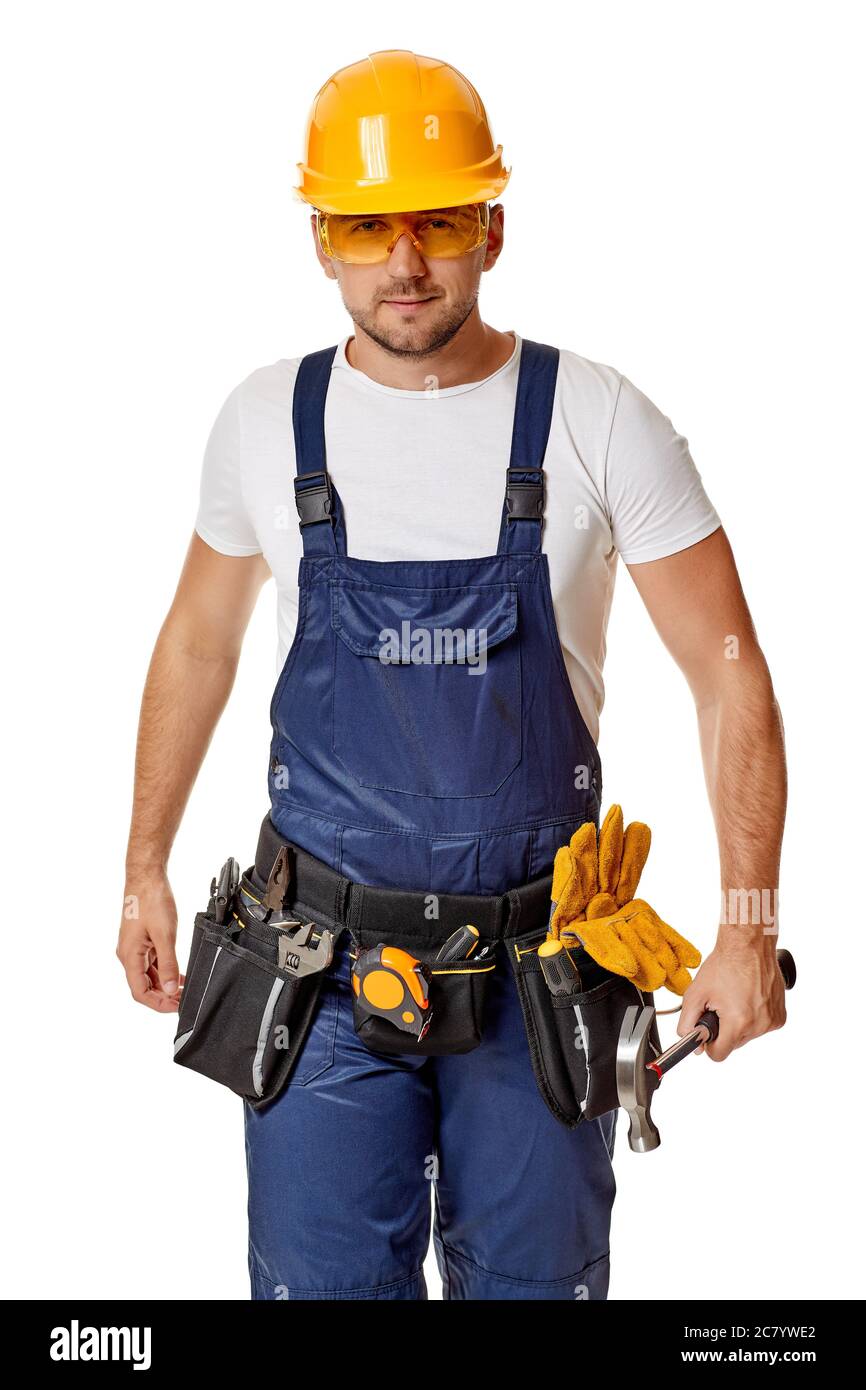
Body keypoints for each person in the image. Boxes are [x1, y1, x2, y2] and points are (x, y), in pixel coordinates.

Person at [117, 49, 788, 1301]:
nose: (404, 261)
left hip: (538, 975)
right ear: (321, 239)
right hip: (317, 977)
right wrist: (140, 868)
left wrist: (749, 927)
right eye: (367, 226)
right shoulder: (266, 422)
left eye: (435, 221)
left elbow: (727, 668)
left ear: (491, 225)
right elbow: (197, 643)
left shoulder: (595, 418)